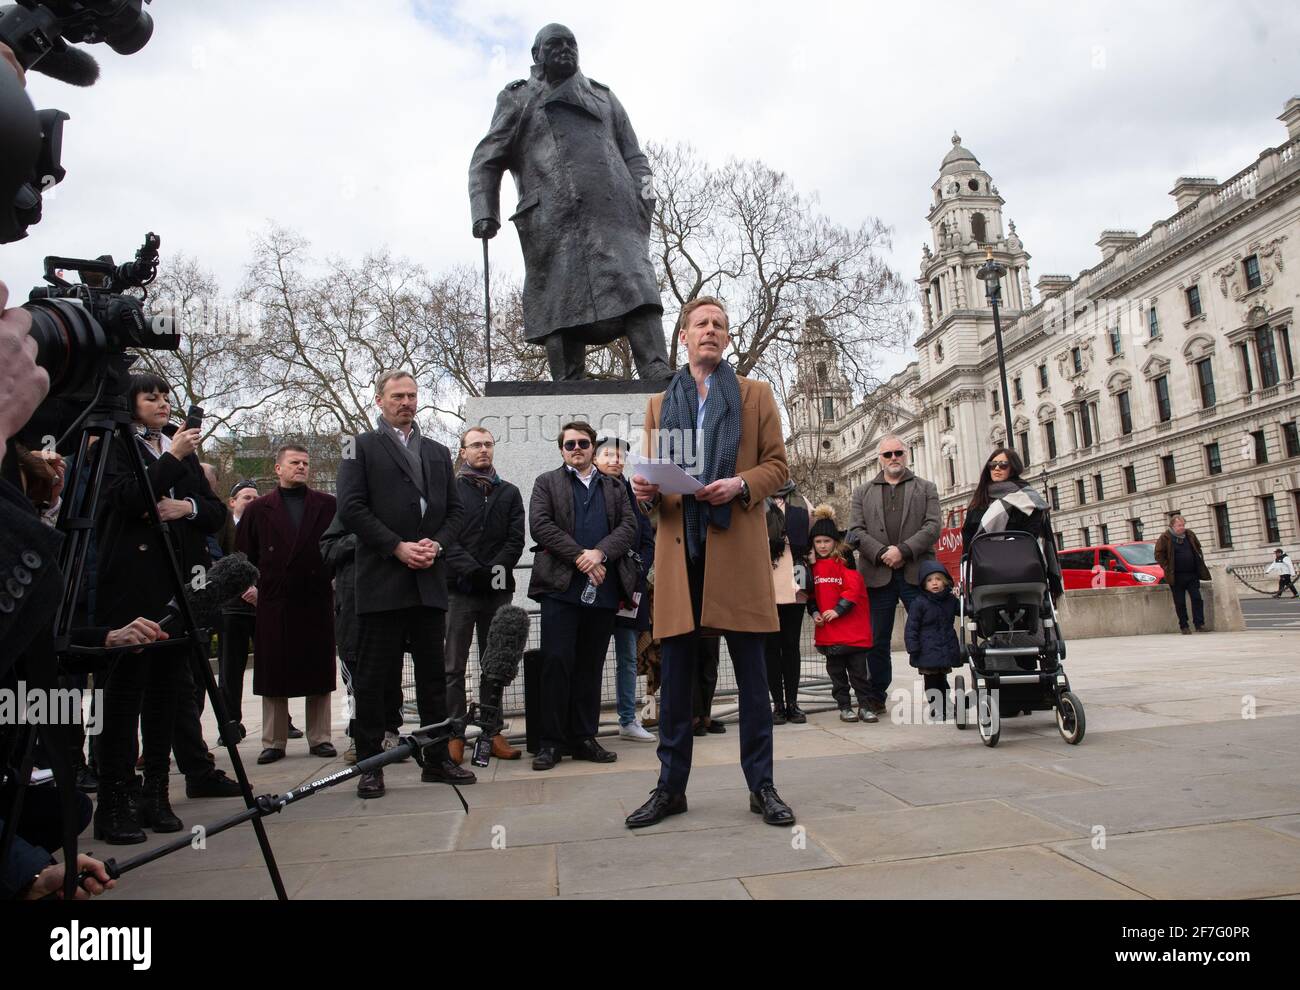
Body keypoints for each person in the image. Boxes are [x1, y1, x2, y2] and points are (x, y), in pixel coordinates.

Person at [626, 296, 795, 828]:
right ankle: (669, 789)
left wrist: (742, 483)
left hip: (735, 551)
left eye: (719, 324)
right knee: (675, 683)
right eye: (701, 323)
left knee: (751, 680)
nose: (711, 330)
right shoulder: (659, 404)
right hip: (681, 556)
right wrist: (645, 490)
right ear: (683, 336)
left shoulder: (755, 395)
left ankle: (762, 786)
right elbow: (646, 489)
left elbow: (778, 466)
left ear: (727, 337)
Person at [468, 23, 671, 382]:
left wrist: (644, 201)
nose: (565, 49)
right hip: (552, 219)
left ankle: (654, 366)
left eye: (571, 43)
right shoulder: (518, 98)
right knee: (560, 298)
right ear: (537, 55)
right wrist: (485, 212)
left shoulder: (604, 98)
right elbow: (487, 158)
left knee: (637, 283)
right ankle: (567, 379)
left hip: (616, 214)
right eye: (555, 44)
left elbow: (636, 156)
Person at [92, 373, 227, 843]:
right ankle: (115, 802)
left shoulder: (178, 448)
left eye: (167, 396)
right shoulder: (112, 445)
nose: (163, 404)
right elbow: (127, 501)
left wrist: (184, 507)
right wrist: (170, 461)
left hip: (177, 587)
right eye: (151, 397)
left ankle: (156, 795)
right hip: (131, 589)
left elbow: (216, 511)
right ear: (129, 402)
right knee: (125, 697)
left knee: (168, 695)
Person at [335, 370, 476, 798]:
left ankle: (435, 759)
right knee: (376, 679)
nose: (406, 402)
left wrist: (438, 544)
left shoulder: (435, 450)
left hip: (429, 581)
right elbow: (351, 507)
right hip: (382, 580)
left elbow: (455, 511)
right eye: (398, 396)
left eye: (412, 395)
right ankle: (371, 765)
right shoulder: (358, 446)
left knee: (434, 677)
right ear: (379, 400)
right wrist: (396, 547)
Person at [528, 421, 640, 770]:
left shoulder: (615, 487)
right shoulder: (546, 483)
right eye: (569, 444)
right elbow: (540, 525)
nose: (576, 448)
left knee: (591, 666)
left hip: (604, 588)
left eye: (583, 443)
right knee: (557, 663)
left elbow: (628, 527)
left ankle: (584, 737)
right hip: (560, 589)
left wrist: (600, 554)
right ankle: (550, 742)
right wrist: (581, 557)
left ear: (593, 446)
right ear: (562, 450)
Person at [236, 444, 338, 764]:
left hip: (316, 598)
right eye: (295, 462)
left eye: (306, 463)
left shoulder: (327, 505)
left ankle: (320, 737)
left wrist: (336, 583)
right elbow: (242, 558)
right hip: (275, 601)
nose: (302, 467)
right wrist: (247, 588)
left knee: (318, 671)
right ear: (278, 468)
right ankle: (274, 740)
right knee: (273, 673)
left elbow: (340, 547)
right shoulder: (258, 509)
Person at [443, 426, 525, 763]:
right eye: (476, 445)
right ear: (463, 451)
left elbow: (515, 539)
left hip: (496, 590)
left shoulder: (509, 492)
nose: (483, 450)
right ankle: (454, 733)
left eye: (488, 444)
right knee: (453, 667)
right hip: (459, 590)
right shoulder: (450, 490)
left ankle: (492, 732)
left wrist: (491, 570)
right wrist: (471, 570)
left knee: (495, 664)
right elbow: (445, 537)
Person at [847, 436, 941, 716]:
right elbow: (855, 531)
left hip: (916, 573)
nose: (893, 458)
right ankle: (876, 696)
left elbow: (933, 526)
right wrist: (881, 553)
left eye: (898, 452)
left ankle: (938, 696)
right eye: (887, 454)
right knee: (877, 640)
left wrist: (902, 550)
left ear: (907, 453)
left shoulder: (926, 488)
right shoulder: (861, 492)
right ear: (880, 458)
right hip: (877, 575)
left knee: (929, 634)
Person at [594, 436, 657, 742]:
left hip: (628, 591)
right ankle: (585, 724)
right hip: (595, 585)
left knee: (628, 658)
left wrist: (638, 571)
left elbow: (646, 540)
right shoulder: (587, 491)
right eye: (608, 454)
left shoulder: (633, 496)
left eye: (620, 455)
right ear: (595, 458)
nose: (616, 460)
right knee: (589, 658)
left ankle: (628, 720)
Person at [960, 447, 1063, 599]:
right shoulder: (979, 501)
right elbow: (968, 536)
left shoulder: (1027, 496)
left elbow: (1032, 532)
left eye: (1003, 465)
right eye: (992, 465)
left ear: (1013, 468)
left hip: (1021, 567)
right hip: (986, 571)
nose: (996, 468)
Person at [807, 505, 876, 723]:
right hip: (829, 633)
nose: (822, 546)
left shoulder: (844, 565)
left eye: (826, 541)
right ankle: (844, 706)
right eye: (818, 542)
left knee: (859, 674)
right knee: (837, 675)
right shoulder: (812, 568)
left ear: (835, 542)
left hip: (852, 632)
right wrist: (815, 612)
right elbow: (811, 596)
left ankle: (865, 705)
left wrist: (838, 610)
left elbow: (852, 590)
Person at [765, 479, 810, 725]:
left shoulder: (802, 501)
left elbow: (813, 538)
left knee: (791, 645)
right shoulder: (755, 500)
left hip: (796, 578)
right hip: (766, 578)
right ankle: (777, 704)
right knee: (770, 647)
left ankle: (793, 702)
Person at [217, 479, 260, 736]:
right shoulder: (223, 527)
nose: (252, 502)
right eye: (246, 498)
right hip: (232, 609)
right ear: (233, 502)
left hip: (259, 606)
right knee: (230, 670)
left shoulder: (264, 526)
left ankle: (280, 720)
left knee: (269, 665)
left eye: (256, 498)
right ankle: (230, 722)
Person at [905, 561, 961, 722]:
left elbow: (962, 610)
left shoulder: (950, 600)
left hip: (945, 646)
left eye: (938, 579)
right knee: (931, 680)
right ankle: (936, 707)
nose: (934, 583)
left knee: (942, 679)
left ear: (945, 581)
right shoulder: (919, 603)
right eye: (929, 580)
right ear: (924, 584)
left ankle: (946, 706)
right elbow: (912, 627)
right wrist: (912, 646)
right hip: (926, 648)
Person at [1153, 513, 1211, 634]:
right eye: (1179, 525)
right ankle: (1184, 626)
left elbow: (1198, 548)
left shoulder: (1190, 535)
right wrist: (1167, 567)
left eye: (1183, 525)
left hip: (1192, 574)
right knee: (1180, 602)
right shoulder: (1165, 537)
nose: (1182, 527)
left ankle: (1199, 624)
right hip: (1176, 576)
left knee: (1197, 599)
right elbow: (1158, 554)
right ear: (1172, 526)